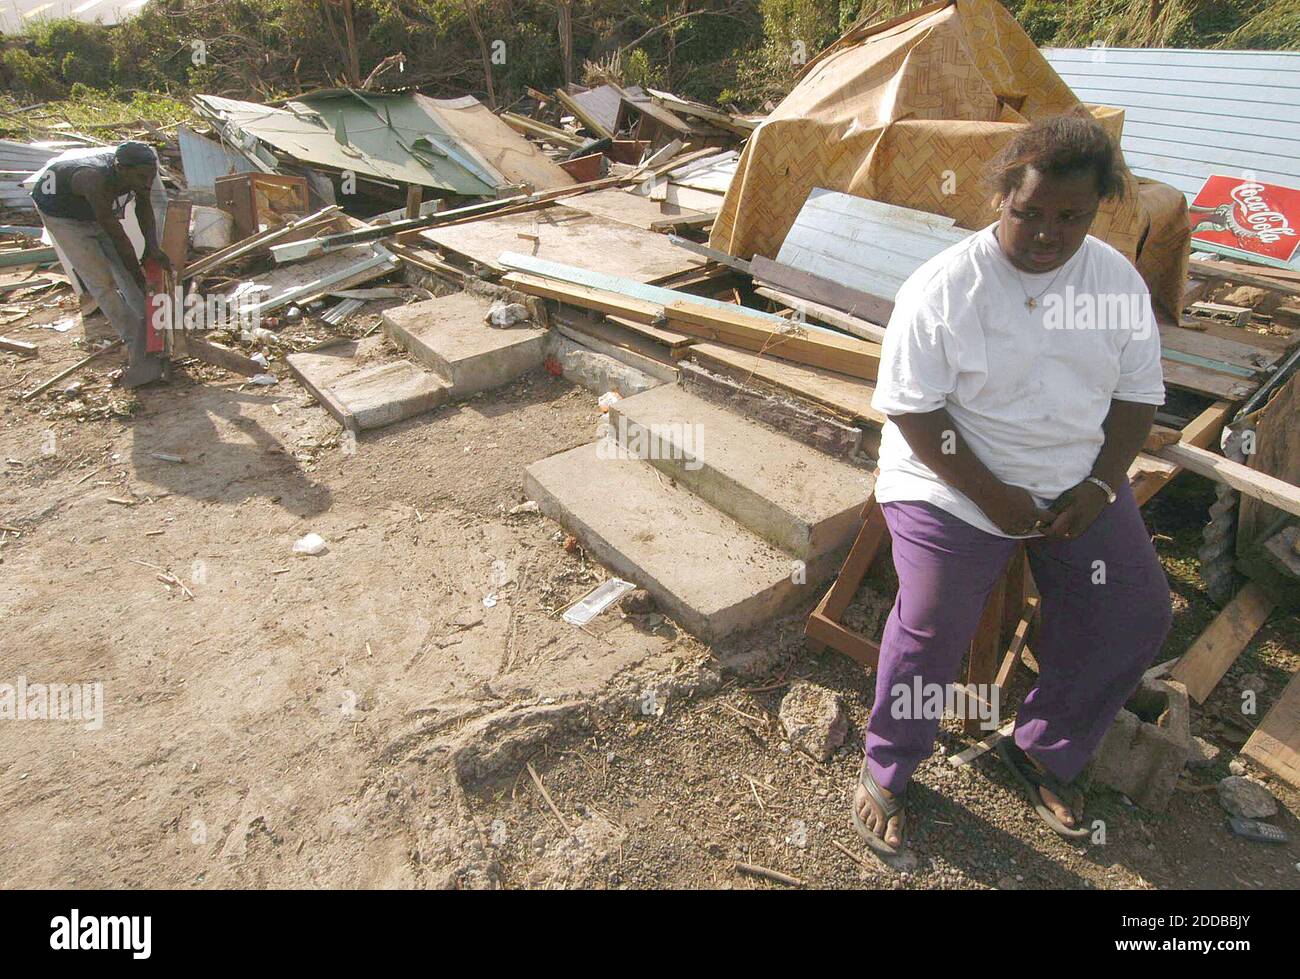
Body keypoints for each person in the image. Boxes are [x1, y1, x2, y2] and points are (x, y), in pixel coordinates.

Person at [851, 114, 1173, 864]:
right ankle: (888, 762)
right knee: (934, 617)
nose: (1046, 233)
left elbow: (1136, 398)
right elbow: (913, 409)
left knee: (1134, 611)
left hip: (1072, 484)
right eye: (1028, 212)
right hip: (953, 483)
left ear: (1097, 210)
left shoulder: (1114, 281)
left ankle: (1042, 749)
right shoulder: (946, 287)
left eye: (1071, 216)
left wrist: (1100, 482)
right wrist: (994, 501)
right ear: (1001, 196)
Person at [30, 141, 173, 387]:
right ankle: (135, 341)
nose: (147, 182)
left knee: (128, 273)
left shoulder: (140, 172)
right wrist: (138, 274)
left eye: (150, 177)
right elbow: (116, 234)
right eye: (142, 177)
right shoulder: (93, 178)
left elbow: (144, 206)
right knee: (101, 281)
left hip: (92, 209)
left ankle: (154, 336)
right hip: (63, 216)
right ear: (120, 170)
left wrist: (151, 248)